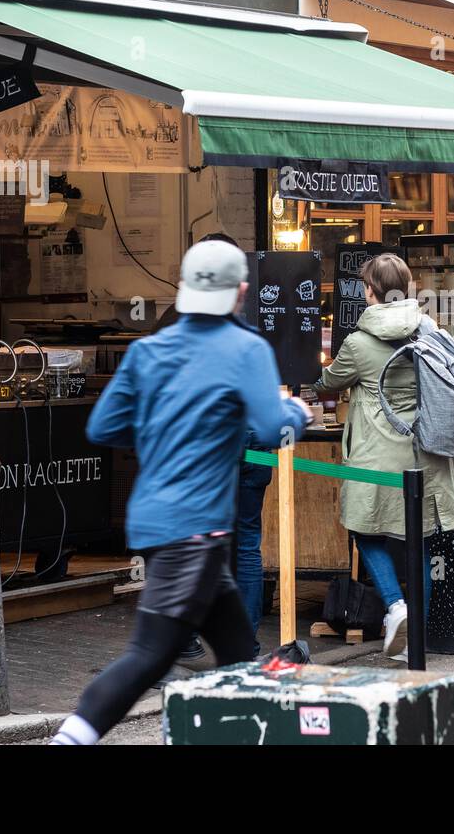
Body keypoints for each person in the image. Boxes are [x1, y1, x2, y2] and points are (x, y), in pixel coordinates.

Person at [50, 240, 310, 745]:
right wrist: (297, 414)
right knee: (151, 655)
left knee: (239, 653)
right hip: (196, 529)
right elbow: (270, 430)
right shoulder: (246, 350)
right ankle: (69, 740)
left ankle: (264, 731)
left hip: (155, 522)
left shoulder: (148, 350)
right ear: (240, 293)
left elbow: (104, 426)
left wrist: (160, 433)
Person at [316, 253, 454, 659]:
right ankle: (413, 641)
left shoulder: (358, 343)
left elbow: (328, 381)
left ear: (370, 290)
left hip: (377, 456)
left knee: (364, 532)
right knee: (417, 544)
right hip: (426, 455)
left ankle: (395, 605)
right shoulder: (430, 329)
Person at [157, 233, 271, 665]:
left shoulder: (175, 321)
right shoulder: (252, 320)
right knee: (245, 545)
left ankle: (184, 637)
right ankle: (247, 647)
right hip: (252, 445)